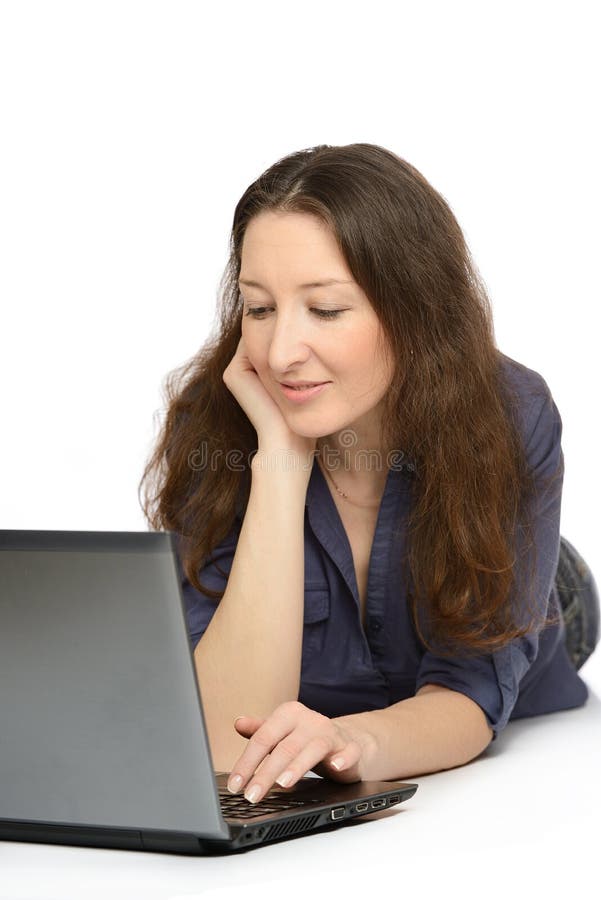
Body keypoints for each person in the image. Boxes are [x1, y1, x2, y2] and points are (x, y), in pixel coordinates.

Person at [139, 143, 600, 807]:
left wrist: (348, 741)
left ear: (413, 309)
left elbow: (470, 693)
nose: (280, 353)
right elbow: (223, 743)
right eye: (260, 308)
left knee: (540, 593)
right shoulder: (214, 424)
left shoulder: (510, 411)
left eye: (324, 309)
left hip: (551, 598)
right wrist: (280, 463)